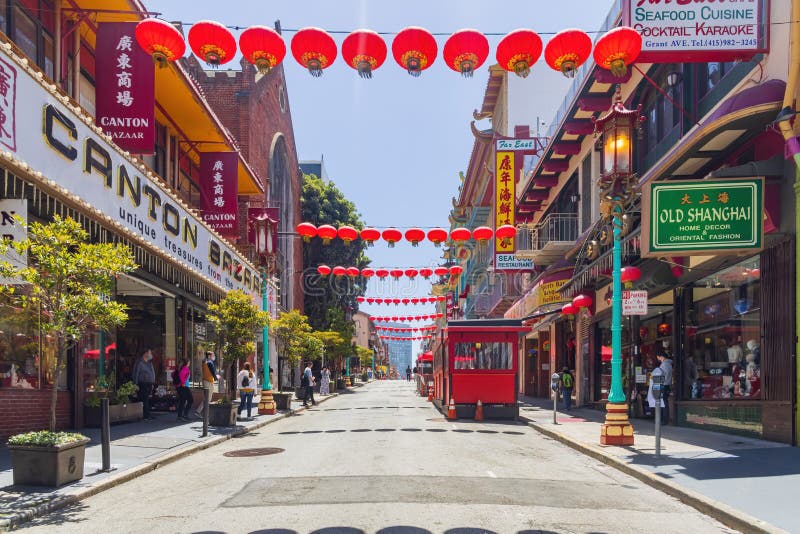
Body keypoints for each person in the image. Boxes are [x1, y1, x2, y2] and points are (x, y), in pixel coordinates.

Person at [132, 348, 155, 420]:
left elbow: (152, 372)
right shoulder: (139, 362)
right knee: (144, 399)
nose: (151, 355)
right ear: (145, 353)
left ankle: (147, 414)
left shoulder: (149, 362)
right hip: (142, 383)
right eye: (149, 353)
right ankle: (146, 415)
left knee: (147, 399)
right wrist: (135, 384)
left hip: (149, 383)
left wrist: (153, 382)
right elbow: (136, 373)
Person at [195, 351, 219, 417]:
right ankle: (204, 413)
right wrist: (216, 378)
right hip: (209, 382)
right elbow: (213, 372)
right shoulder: (210, 362)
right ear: (209, 356)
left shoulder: (204, 362)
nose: (214, 356)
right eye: (213, 355)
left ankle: (200, 411)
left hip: (206, 381)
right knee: (208, 398)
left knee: (207, 398)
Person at [656, 350, 673, 423]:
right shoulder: (667, 364)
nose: (658, 359)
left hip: (664, 385)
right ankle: (663, 419)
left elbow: (663, 375)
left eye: (658, 357)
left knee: (663, 402)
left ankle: (664, 419)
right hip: (666, 384)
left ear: (661, 357)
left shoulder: (665, 364)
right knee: (663, 402)